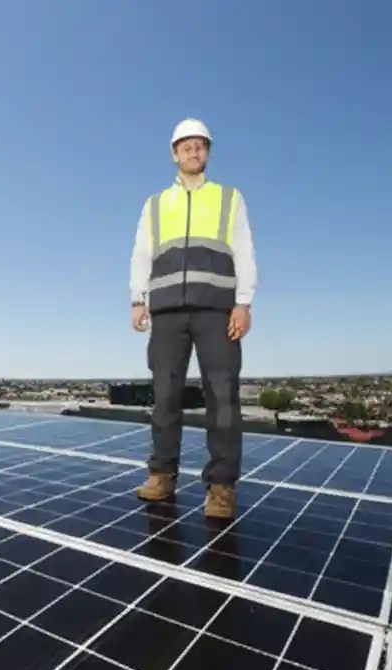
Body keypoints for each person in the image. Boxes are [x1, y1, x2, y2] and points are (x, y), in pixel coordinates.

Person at [128, 117, 257, 519]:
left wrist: (244, 303)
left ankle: (221, 487)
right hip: (166, 312)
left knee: (222, 397)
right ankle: (162, 475)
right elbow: (141, 255)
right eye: (186, 146)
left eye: (200, 145)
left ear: (208, 152)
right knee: (165, 397)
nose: (193, 151)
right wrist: (138, 299)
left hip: (217, 311)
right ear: (174, 153)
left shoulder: (229, 198)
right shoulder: (154, 205)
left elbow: (244, 253)